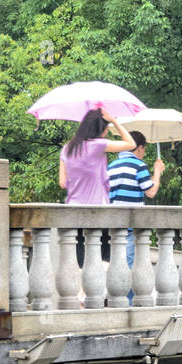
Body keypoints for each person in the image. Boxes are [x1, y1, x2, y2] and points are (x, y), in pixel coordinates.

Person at [59, 106, 141, 267]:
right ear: (100, 130)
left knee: (81, 262)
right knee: (103, 261)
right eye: (105, 129)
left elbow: (62, 182)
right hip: (99, 211)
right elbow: (130, 144)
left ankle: (83, 292)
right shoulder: (98, 145)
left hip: (74, 213)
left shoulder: (67, 148)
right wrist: (114, 121)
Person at [108, 130, 165, 303]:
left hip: (114, 224)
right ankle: (129, 304)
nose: (144, 153)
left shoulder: (111, 166)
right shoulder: (138, 165)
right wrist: (157, 171)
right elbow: (151, 192)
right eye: (144, 149)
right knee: (130, 265)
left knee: (118, 263)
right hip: (131, 225)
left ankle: (117, 300)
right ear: (139, 148)